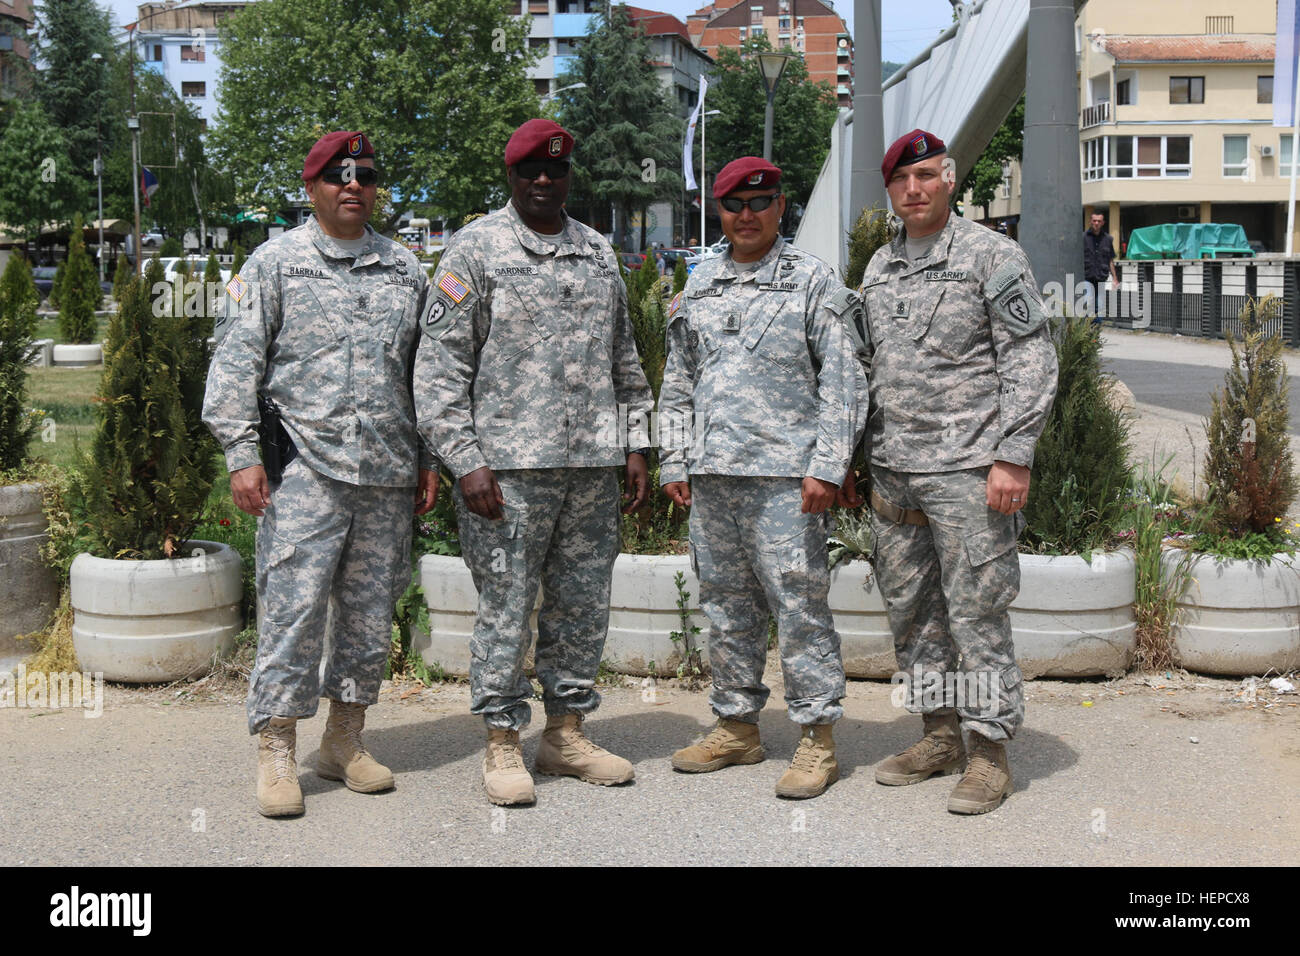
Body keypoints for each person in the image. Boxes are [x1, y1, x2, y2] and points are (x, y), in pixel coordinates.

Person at [414, 118, 654, 806]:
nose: (545, 182)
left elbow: (625, 358)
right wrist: (465, 461)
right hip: (507, 474)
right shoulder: (475, 251)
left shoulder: (597, 250)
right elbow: (438, 372)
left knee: (581, 606)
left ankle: (566, 733)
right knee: (507, 607)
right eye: (531, 172)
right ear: (511, 177)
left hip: (590, 470)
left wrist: (636, 443)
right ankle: (500, 741)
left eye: (556, 172)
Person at [203, 131, 439, 818]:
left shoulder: (404, 269)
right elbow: (235, 363)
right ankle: (278, 748)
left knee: (369, 617)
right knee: (293, 610)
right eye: (338, 177)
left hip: (386, 475)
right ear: (311, 189)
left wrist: (427, 458)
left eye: (366, 175)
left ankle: (345, 739)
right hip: (303, 471)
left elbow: (422, 373)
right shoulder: (274, 264)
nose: (353, 186)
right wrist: (241, 454)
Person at [846, 129, 1057, 814]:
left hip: (971, 470)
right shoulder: (879, 268)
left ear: (949, 179)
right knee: (913, 618)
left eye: (927, 176)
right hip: (896, 472)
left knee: (977, 613)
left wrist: (1012, 453)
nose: (915, 190)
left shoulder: (990, 255)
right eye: (902, 181)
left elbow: (1029, 357)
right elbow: (865, 367)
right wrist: (853, 457)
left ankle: (990, 751)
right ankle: (939, 734)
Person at [658, 157, 869, 799]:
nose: (745, 216)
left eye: (760, 202)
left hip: (787, 480)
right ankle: (737, 725)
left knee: (800, 608)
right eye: (733, 205)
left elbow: (844, 381)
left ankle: (816, 737)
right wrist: (673, 457)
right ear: (719, 210)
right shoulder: (700, 284)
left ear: (781, 207)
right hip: (714, 478)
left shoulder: (812, 283)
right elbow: (678, 379)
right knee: (725, 608)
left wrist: (828, 467)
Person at [1083, 211, 1118, 320]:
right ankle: (1086, 331)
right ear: (1090, 221)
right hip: (1086, 276)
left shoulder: (1107, 239)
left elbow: (1110, 259)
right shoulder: (1082, 237)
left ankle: (1095, 334)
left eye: (1099, 221)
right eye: (1094, 221)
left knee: (1100, 306)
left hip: (1101, 277)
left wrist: (1115, 278)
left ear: (1103, 223)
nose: (1096, 223)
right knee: (1088, 302)